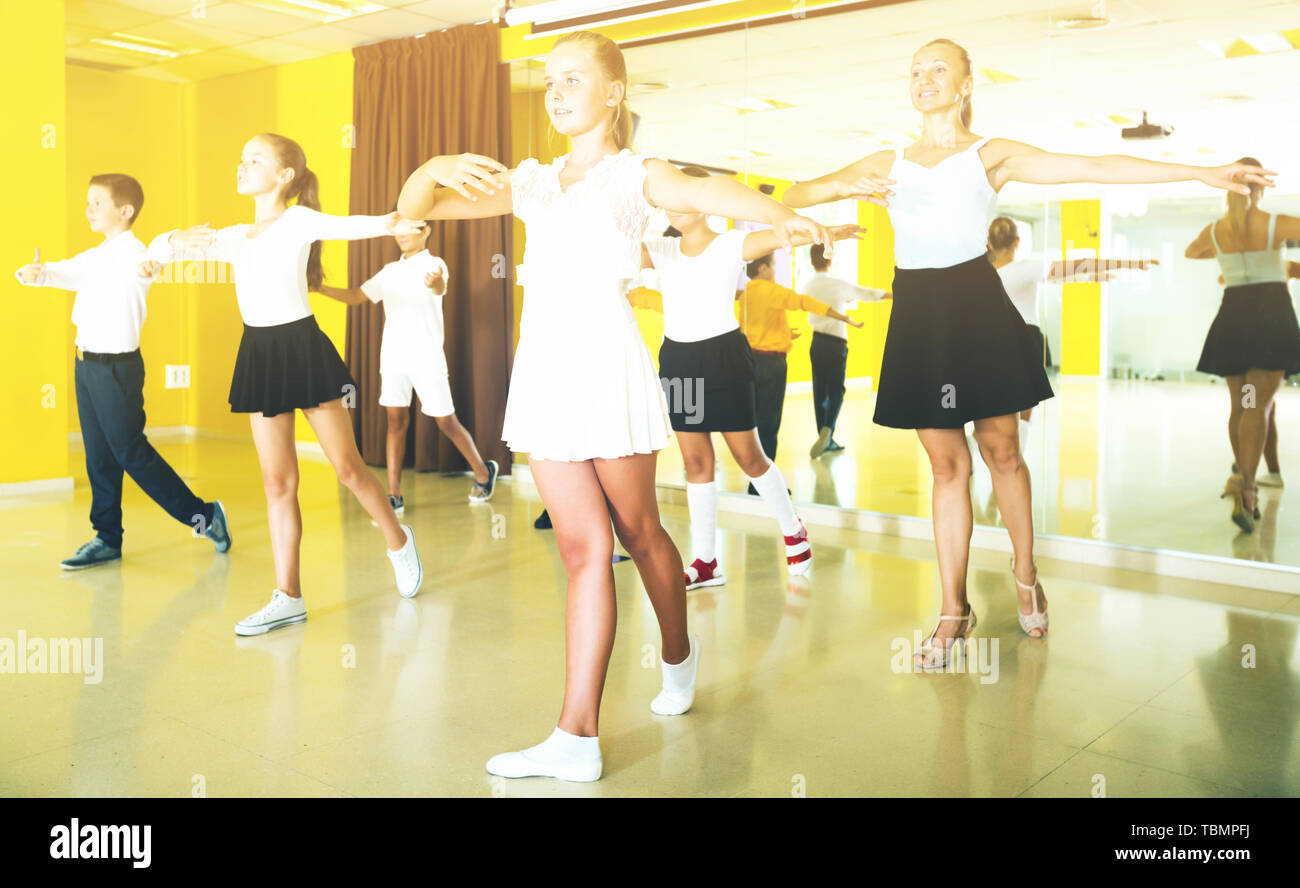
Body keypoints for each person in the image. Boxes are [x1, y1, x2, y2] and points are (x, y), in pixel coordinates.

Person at [396, 29, 831, 781]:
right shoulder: (533, 180)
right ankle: (577, 735)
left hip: (608, 364)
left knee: (640, 529)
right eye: (549, 81)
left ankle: (677, 650)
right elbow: (413, 219)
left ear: (614, 93)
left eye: (572, 79)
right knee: (581, 550)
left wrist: (772, 213)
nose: (556, 91)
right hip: (544, 373)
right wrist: (431, 167)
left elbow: (704, 194)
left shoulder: (638, 175)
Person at [784, 37, 1274, 667]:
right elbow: (805, 191)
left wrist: (1200, 172)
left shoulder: (991, 155)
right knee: (945, 466)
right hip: (920, 314)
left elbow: (1093, 167)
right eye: (915, 71)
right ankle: (952, 609)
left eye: (939, 69)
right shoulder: (888, 162)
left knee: (1002, 449)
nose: (924, 79)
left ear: (964, 84)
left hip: (976, 305)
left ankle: (1024, 573)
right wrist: (785, 218)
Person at [141, 133, 427, 635]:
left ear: (284, 177)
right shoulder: (232, 235)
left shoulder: (297, 220)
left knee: (347, 468)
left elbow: (346, 225)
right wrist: (166, 246)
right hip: (259, 354)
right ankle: (288, 595)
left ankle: (398, 542)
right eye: (241, 157)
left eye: (255, 159)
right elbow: (165, 250)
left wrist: (390, 223)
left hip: (302, 348)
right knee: (277, 482)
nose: (241, 165)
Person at [637, 171, 867, 587]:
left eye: (683, 197)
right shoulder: (661, 248)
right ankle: (706, 560)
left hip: (723, 357)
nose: (674, 207)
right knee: (695, 462)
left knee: (749, 457)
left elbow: (784, 235)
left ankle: (792, 528)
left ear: (705, 200)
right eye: (668, 199)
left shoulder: (729, 244)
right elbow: (606, 249)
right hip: (680, 361)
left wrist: (823, 231)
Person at [14, 174, 230, 569]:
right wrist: (35, 274)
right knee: (98, 456)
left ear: (124, 211)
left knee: (131, 452)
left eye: (96, 202)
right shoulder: (98, 255)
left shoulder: (137, 256)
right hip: (85, 366)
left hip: (117, 370)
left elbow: (158, 254)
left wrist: (176, 240)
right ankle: (107, 538)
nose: (88, 209)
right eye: (87, 202)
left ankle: (206, 517)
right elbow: (66, 271)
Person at [315, 226, 499, 509]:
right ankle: (395, 494)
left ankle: (484, 472)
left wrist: (436, 282)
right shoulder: (389, 270)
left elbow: (439, 287)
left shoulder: (435, 265)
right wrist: (317, 287)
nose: (401, 234)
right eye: (398, 229)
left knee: (445, 422)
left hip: (427, 356)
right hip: (392, 357)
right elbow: (355, 296)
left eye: (410, 227)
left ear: (426, 230)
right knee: (395, 422)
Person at [1184, 161, 1300, 532]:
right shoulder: (1276, 224)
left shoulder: (1217, 230)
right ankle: (1248, 487)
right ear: (1261, 188)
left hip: (1235, 318)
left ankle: (1244, 481)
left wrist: (1228, 261)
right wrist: (1286, 263)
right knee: (1258, 408)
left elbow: (1192, 251)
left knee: (1244, 403)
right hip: (1269, 317)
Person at [737, 253, 863, 469]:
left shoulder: (746, 293)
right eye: (773, 266)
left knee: (754, 422)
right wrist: (842, 317)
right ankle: (764, 477)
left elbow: (756, 324)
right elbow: (804, 302)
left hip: (748, 361)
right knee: (769, 423)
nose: (775, 271)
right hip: (771, 365)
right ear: (763, 268)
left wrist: (786, 333)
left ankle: (753, 475)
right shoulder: (773, 291)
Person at [804, 242, 890, 458]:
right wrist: (892, 295)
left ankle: (826, 437)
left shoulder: (807, 286)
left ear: (811, 261)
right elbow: (867, 294)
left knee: (819, 391)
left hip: (816, 342)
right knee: (836, 390)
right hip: (835, 343)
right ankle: (828, 429)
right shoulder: (837, 283)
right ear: (829, 260)